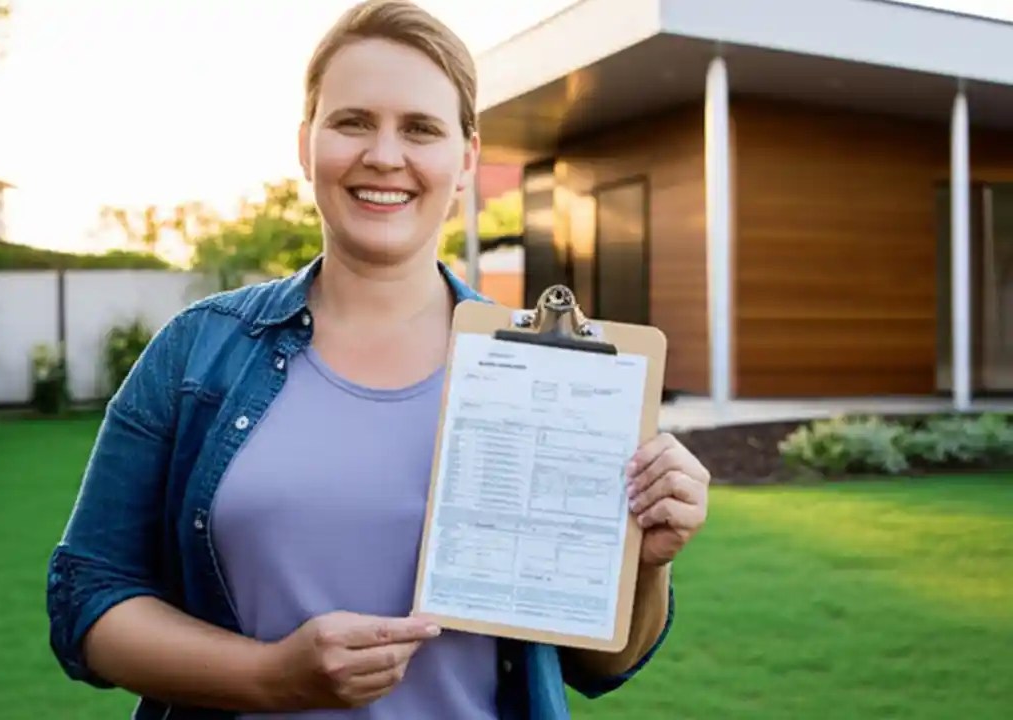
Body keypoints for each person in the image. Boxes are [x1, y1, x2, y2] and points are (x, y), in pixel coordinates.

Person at [45, 1, 710, 718]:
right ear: (306, 145)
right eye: (353, 121)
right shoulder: (196, 351)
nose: (385, 156)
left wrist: (651, 559)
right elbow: (87, 595)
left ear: (466, 160)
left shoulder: (560, 376)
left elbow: (601, 665)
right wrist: (270, 677)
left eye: (420, 128)